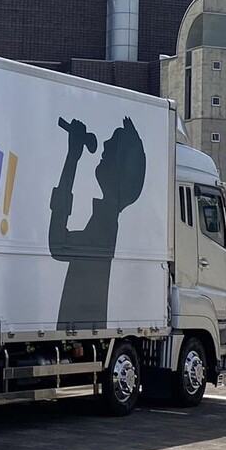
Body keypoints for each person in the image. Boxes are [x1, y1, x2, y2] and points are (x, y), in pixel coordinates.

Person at [48, 116, 146, 329]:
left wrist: (73, 157)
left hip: (78, 326)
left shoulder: (106, 222)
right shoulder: (105, 217)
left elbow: (58, 245)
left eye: (112, 145)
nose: (105, 145)